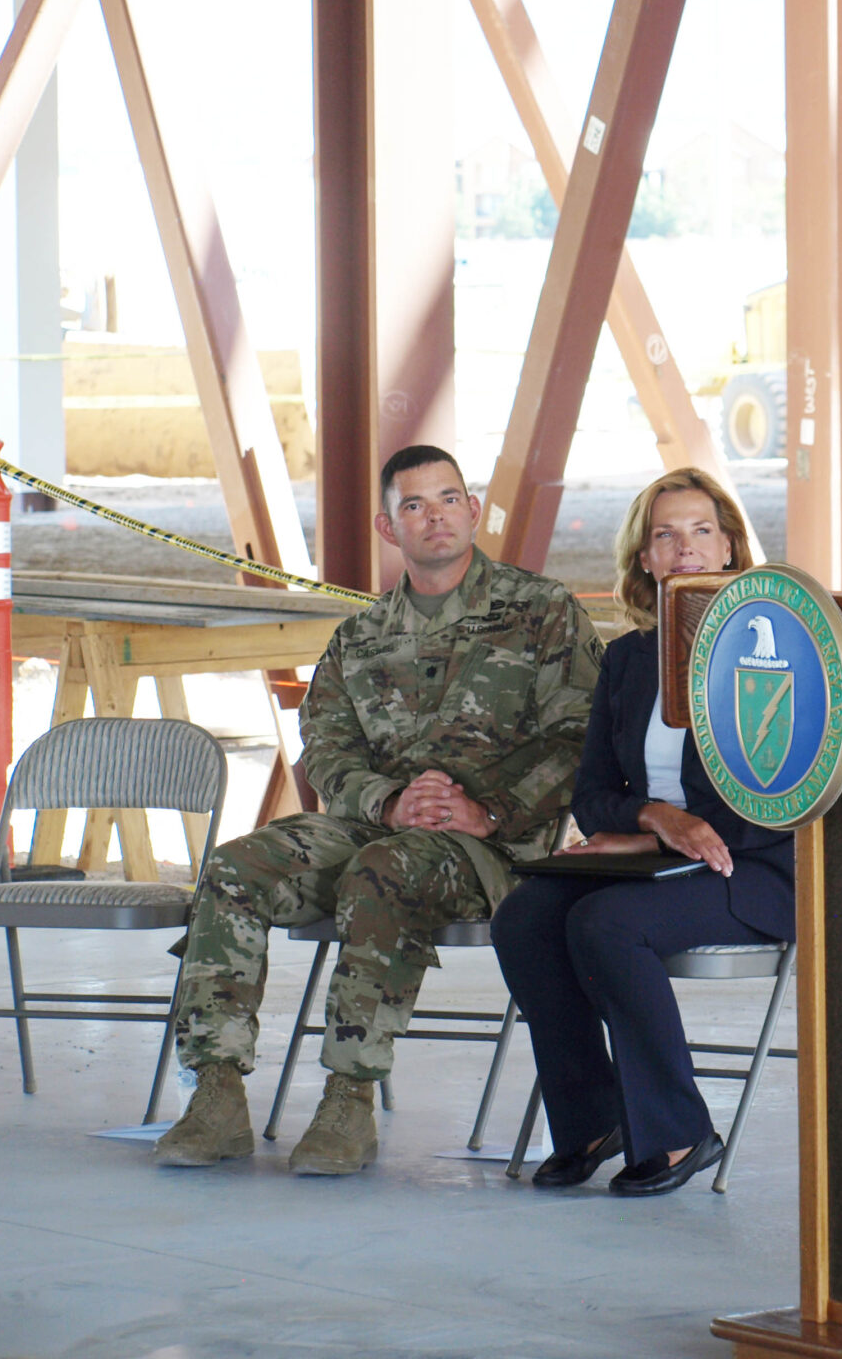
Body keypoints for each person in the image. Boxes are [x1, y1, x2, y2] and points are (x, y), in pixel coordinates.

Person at [156, 444, 602, 1176]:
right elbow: (325, 746)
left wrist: (486, 811)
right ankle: (216, 1092)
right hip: (375, 825)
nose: (437, 518)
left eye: (449, 499)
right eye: (415, 505)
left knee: (380, 868)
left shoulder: (541, 613)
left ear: (474, 508)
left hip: (492, 847)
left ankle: (348, 1098)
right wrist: (388, 801)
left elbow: (578, 737)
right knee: (237, 866)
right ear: (388, 527)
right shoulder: (360, 637)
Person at [489, 468, 792, 1196]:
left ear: (728, 550)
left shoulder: (767, 651)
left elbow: (773, 797)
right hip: (657, 859)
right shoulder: (626, 661)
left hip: (752, 868)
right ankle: (593, 1121)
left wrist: (658, 837)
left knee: (604, 923)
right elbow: (592, 795)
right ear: (645, 559)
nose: (684, 548)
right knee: (525, 918)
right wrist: (652, 821)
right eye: (665, 535)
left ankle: (680, 1130)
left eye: (701, 531)